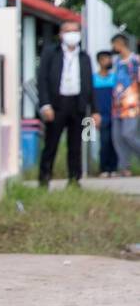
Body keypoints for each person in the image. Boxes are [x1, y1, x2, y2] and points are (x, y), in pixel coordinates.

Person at [36, 20, 99, 187]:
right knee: (51, 143)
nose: (72, 34)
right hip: (56, 104)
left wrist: (94, 110)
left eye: (75, 31)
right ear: (61, 34)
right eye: (68, 31)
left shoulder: (84, 57)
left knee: (75, 145)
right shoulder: (51, 53)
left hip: (77, 104)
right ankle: (44, 178)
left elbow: (89, 84)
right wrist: (45, 104)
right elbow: (42, 79)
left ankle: (74, 179)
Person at [112, 32, 140, 175]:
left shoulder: (136, 60)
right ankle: (124, 167)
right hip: (116, 105)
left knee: (128, 134)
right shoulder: (116, 62)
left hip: (131, 104)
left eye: (114, 45)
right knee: (118, 137)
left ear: (120, 44)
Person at [93, 50, 118, 177]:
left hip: (115, 114)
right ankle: (104, 168)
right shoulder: (94, 79)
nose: (109, 61)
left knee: (114, 141)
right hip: (101, 115)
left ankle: (114, 168)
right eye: (106, 59)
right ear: (100, 61)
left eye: (110, 58)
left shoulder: (114, 77)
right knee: (104, 141)